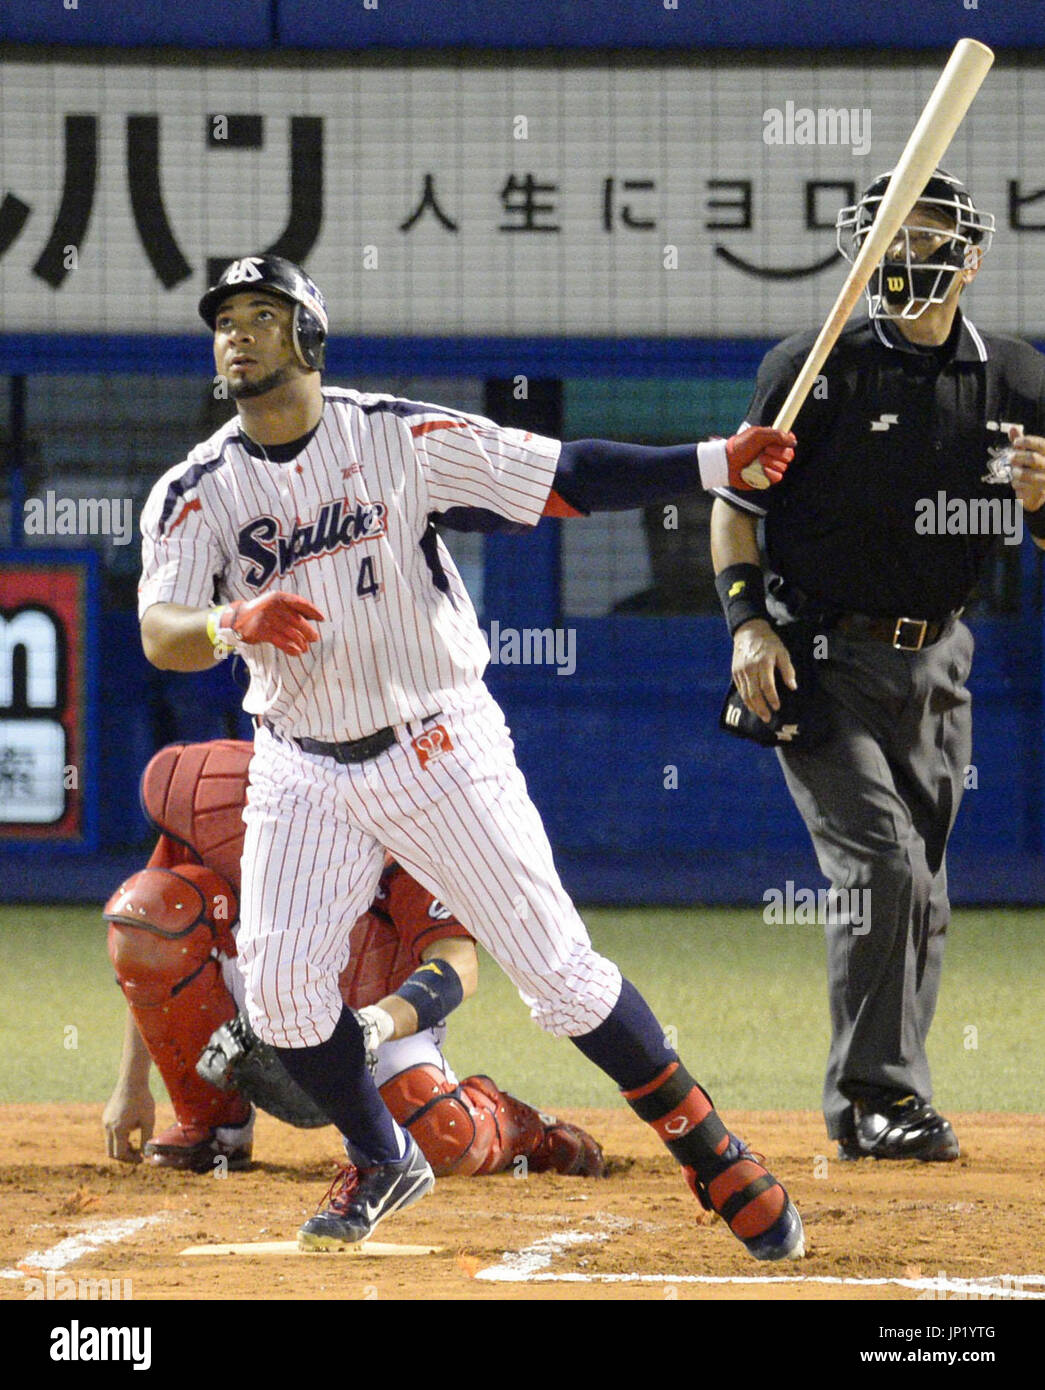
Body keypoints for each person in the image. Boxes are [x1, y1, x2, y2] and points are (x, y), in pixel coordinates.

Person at [138, 252, 804, 1257]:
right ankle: (382, 1156)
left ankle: (709, 1148)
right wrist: (235, 622)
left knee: (561, 979)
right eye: (224, 318)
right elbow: (161, 628)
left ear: (309, 335)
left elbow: (563, 476)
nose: (236, 332)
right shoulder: (196, 491)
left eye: (262, 315)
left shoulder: (393, 437)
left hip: (435, 741)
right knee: (278, 995)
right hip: (302, 764)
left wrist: (714, 462)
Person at [710, 169, 1045, 1162]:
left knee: (924, 889)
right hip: (815, 651)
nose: (905, 249)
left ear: (969, 256)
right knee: (881, 866)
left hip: (940, 658)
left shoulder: (1019, 379)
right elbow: (737, 508)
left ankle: (888, 1098)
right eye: (888, 232)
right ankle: (874, 1098)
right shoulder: (811, 369)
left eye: (927, 230)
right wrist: (745, 627)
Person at [102, 739, 606, 1179]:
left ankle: (516, 1128)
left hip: (375, 1009)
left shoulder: (415, 814)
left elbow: (458, 965)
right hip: (261, 990)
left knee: (443, 1134)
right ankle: (210, 1127)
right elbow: (148, 939)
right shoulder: (211, 788)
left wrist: (374, 1026)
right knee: (150, 906)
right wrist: (131, 1085)